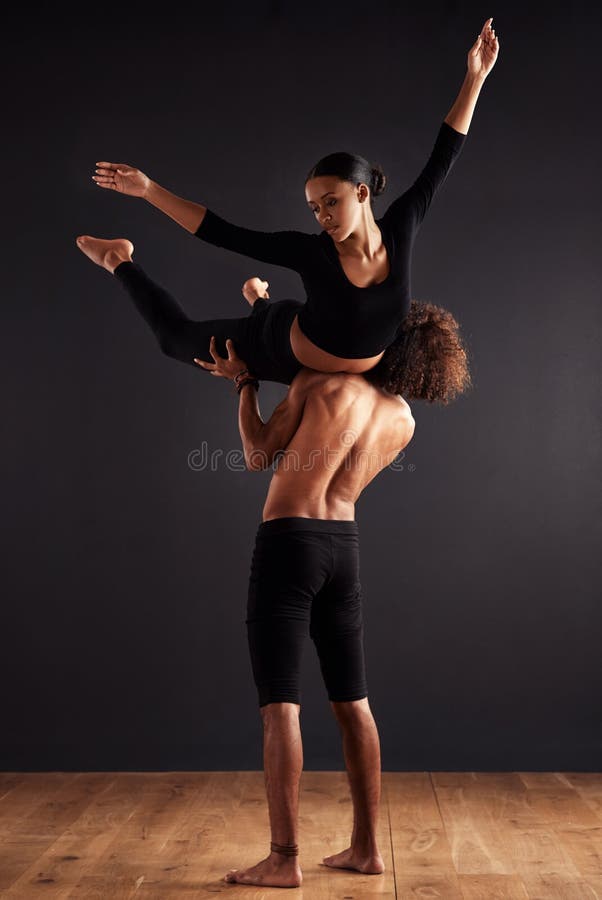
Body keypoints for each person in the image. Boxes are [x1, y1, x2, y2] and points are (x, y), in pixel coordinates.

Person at [196, 282, 471, 888]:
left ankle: (282, 858)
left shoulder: (320, 384)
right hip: (342, 549)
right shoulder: (403, 422)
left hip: (288, 542)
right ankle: (368, 849)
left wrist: (243, 384)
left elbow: (257, 454)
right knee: (354, 703)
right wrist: (260, 302)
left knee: (280, 706)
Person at [85, 18, 498, 381]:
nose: (323, 216)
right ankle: (120, 260)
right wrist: (149, 190)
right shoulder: (310, 252)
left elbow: (443, 157)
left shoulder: (401, 227)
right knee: (173, 339)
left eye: (331, 202)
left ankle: (258, 299)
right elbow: (222, 233)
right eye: (315, 208)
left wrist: (474, 78)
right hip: (281, 351)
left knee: (282, 309)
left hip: (328, 344)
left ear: (362, 192)